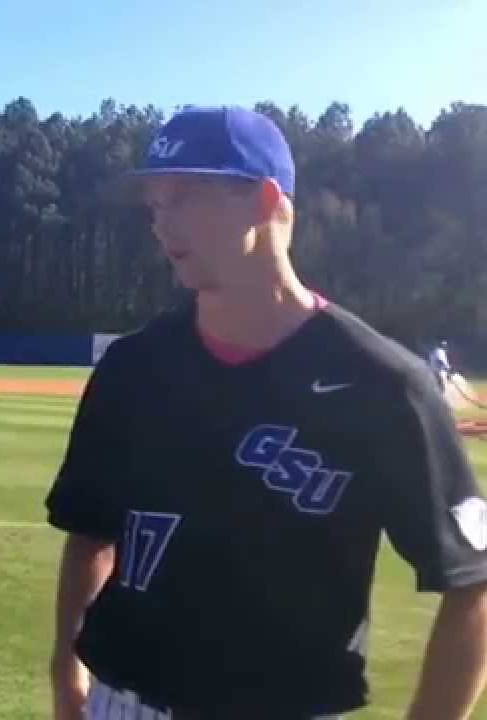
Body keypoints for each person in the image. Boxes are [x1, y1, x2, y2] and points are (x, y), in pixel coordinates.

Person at [45, 106, 487, 720]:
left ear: (263, 199)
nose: (160, 222)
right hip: (125, 702)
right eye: (154, 203)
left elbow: (471, 584)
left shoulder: (385, 384)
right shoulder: (132, 369)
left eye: (184, 197)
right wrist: (67, 675)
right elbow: (89, 534)